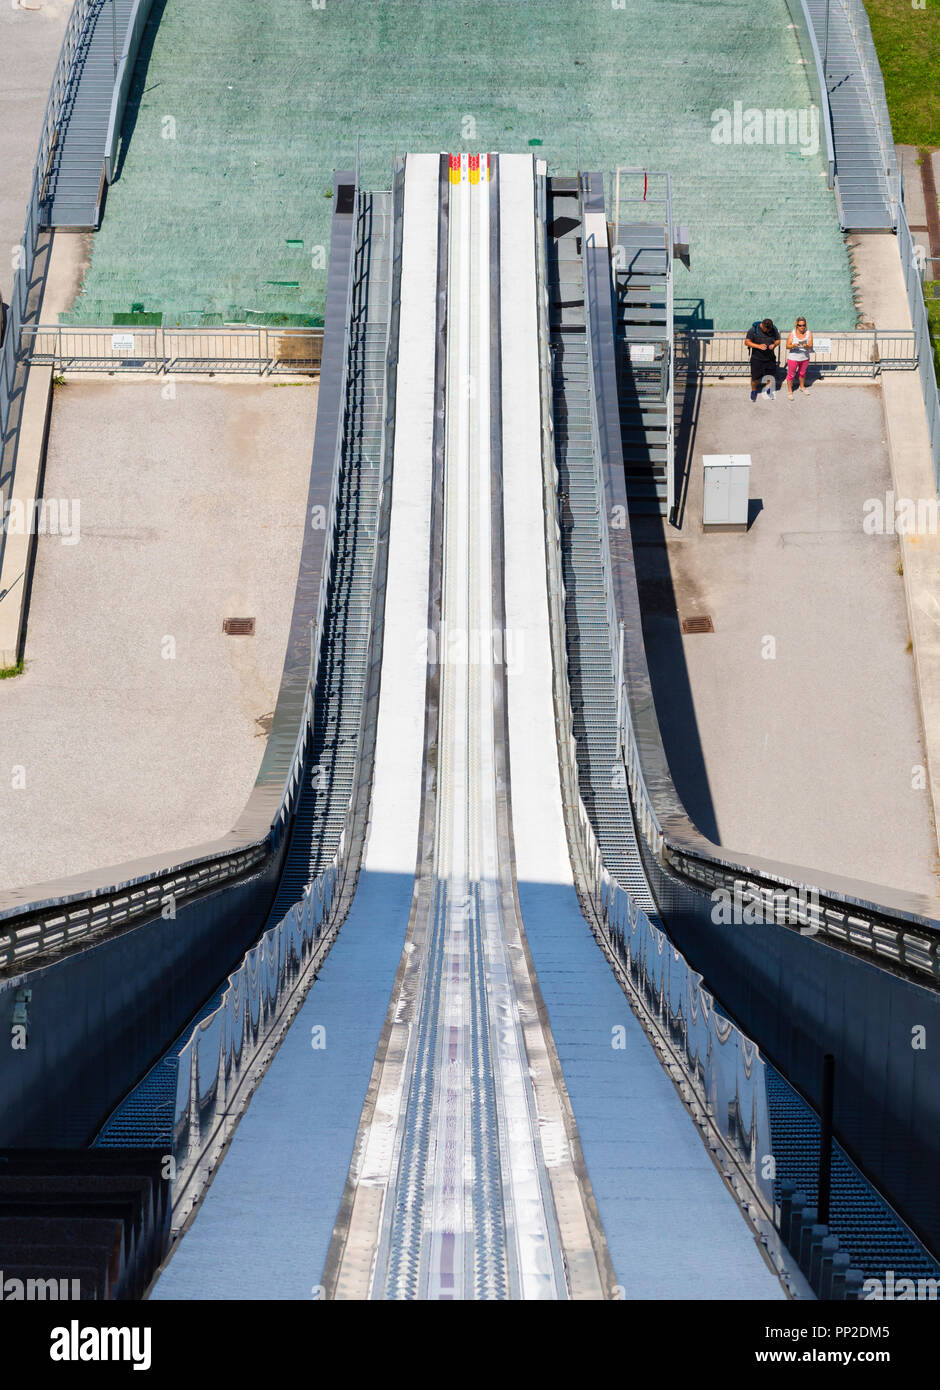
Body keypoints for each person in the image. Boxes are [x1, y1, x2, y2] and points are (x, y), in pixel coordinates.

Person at [745, 318, 780, 400]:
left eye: (769, 331)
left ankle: (768, 389)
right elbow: (746, 342)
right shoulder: (753, 330)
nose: (768, 332)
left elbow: (778, 340)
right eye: (766, 330)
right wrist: (758, 346)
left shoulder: (773, 329)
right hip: (757, 359)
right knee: (754, 377)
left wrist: (774, 345)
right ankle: (754, 391)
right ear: (762, 326)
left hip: (770, 358)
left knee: (770, 376)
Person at [785, 317, 813, 397]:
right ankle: (790, 391)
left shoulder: (809, 333)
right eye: (800, 325)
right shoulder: (792, 333)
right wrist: (793, 346)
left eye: (803, 325)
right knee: (791, 375)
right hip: (793, 358)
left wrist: (806, 346)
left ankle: (802, 387)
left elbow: (811, 346)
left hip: (805, 358)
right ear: (796, 325)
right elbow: (787, 346)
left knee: (802, 373)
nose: (802, 327)